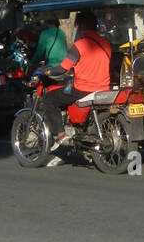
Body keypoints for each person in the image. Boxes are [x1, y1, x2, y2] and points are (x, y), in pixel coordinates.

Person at [41, 11, 112, 166]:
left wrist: (47, 71)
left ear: (82, 26)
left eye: (77, 26)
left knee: (50, 99)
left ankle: (60, 134)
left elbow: (62, 69)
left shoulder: (79, 46)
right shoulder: (106, 43)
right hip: (104, 89)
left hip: (83, 89)